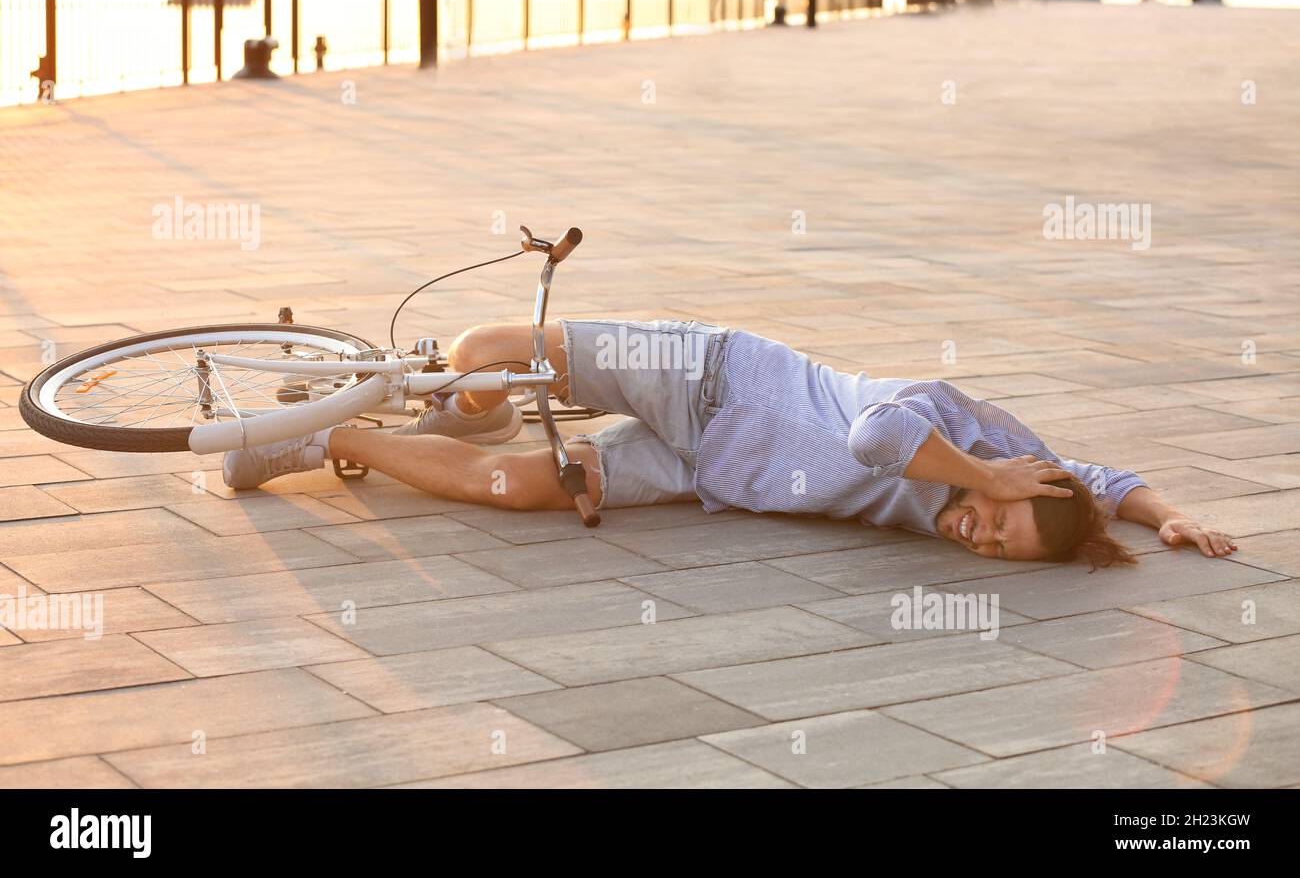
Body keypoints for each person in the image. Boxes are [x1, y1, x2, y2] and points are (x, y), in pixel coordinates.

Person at [223, 320, 1239, 565]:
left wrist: (1169, 516)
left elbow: (1106, 482)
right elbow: (877, 431)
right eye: (998, 524)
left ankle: (330, 435)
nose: (977, 535)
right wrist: (975, 471)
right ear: (1026, 477)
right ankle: (397, 378)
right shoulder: (965, 428)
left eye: (993, 552)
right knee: (491, 350)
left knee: (518, 484)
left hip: (703, 469)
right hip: (706, 371)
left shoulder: (1041, 488)